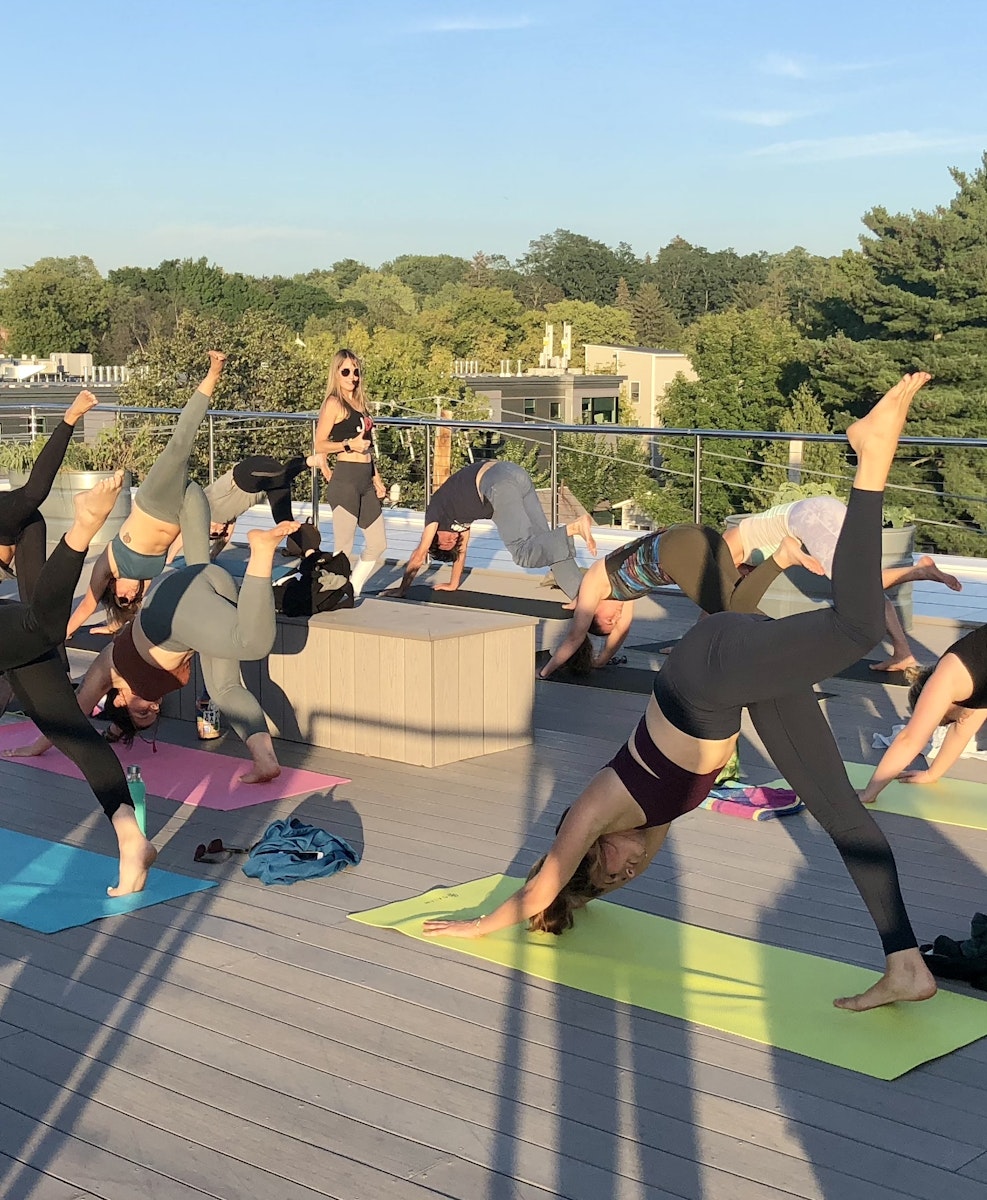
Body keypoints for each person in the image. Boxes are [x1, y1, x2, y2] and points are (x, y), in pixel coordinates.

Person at [424, 374, 938, 1013]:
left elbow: (540, 890)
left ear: (592, 851)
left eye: (610, 872)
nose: (628, 872)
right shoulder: (649, 832)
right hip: (737, 682)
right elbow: (579, 889)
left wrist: (476, 926)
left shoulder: (595, 812)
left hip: (707, 670)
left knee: (856, 625)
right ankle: (907, 967)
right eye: (623, 882)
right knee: (842, 814)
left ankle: (873, 456)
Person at [11, 483, 299, 786]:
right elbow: (122, 725)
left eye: (144, 712)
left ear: (119, 701)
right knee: (225, 689)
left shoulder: (106, 673)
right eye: (154, 713)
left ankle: (261, 550)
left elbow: (71, 716)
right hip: (203, 590)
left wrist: (36, 747)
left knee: (252, 644)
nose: (155, 706)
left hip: (167, 609)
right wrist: (116, 733)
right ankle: (265, 760)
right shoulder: (134, 698)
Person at [0, 473, 157, 896]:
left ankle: (83, 530)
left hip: (15, 625)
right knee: (74, 734)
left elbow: (31, 499)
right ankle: (131, 839)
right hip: (16, 630)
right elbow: (30, 513)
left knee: (42, 626)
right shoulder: (16, 525)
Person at [66, 351, 227, 636]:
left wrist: (56, 636)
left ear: (111, 588)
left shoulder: (108, 565)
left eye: (122, 598)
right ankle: (217, 626)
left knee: (180, 443)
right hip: (184, 504)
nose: (130, 596)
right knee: (200, 569)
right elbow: (138, 618)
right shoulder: (151, 578)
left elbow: (86, 607)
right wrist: (120, 623)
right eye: (132, 601)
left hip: (154, 500)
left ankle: (213, 373)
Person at [538, 524, 824, 677]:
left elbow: (575, 636)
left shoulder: (593, 586)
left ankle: (781, 558)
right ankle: (803, 642)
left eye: (605, 620)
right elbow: (622, 631)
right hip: (695, 534)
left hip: (677, 550)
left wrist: (546, 671)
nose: (615, 619)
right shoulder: (619, 592)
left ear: (593, 610)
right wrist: (601, 660)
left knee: (734, 609)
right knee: (738, 603)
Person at [722, 496, 962, 671]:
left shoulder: (725, 548)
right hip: (820, 511)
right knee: (866, 584)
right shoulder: (744, 553)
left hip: (811, 517)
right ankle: (903, 653)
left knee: (854, 581)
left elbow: (717, 598)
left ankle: (918, 571)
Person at [395, 460, 597, 600]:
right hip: (513, 474)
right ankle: (581, 596)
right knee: (547, 543)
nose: (451, 541)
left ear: (434, 537)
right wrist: (453, 583)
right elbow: (462, 552)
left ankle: (573, 527)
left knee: (522, 553)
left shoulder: (435, 513)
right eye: (451, 545)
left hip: (498, 482)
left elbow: (419, 554)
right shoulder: (459, 527)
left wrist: (402, 590)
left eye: (444, 542)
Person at [859, 626, 987, 804]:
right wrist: (931, 773)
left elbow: (909, 740)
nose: (958, 721)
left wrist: (868, 794)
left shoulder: (947, 676)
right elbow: (960, 733)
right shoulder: (974, 685)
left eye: (946, 720)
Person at [0, 389, 99, 603]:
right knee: (35, 610)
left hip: (7, 516)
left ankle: (70, 418)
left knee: (34, 493)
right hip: (26, 527)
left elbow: (34, 492)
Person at [311, 349, 386, 598]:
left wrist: (377, 479)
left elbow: (367, 447)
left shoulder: (360, 404)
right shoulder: (334, 403)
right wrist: (347, 445)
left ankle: (352, 587)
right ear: (336, 373)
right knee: (344, 547)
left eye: (356, 371)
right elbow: (320, 444)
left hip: (365, 477)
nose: (352, 377)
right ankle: (331, 593)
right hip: (346, 479)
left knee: (378, 544)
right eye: (346, 371)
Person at [166, 453, 308, 562]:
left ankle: (307, 461)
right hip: (267, 484)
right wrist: (212, 556)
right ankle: (310, 551)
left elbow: (183, 535)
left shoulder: (206, 504)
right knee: (284, 521)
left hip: (245, 474)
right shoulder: (229, 519)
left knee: (280, 475)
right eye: (218, 533)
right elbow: (225, 538)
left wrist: (169, 558)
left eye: (213, 531)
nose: (218, 530)